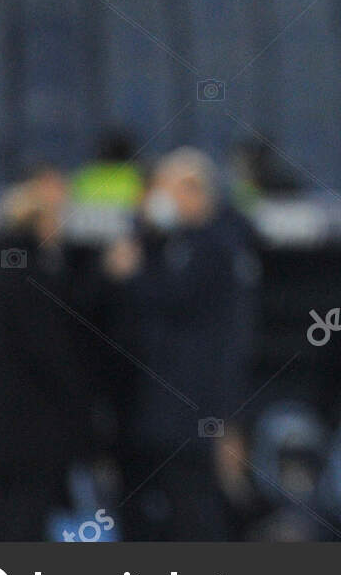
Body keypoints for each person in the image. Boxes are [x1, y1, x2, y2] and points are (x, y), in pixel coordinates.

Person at [103, 148, 259, 540]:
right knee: (156, 512)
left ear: (195, 192)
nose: (162, 200)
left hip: (192, 413)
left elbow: (170, 301)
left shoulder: (215, 248)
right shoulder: (182, 243)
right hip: (159, 410)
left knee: (196, 511)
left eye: (171, 189)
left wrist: (132, 272)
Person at [0, 166, 106, 540]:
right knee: (24, 515)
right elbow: (51, 350)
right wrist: (82, 406)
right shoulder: (27, 273)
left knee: (5, 509)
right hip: (35, 424)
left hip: (3, 417)